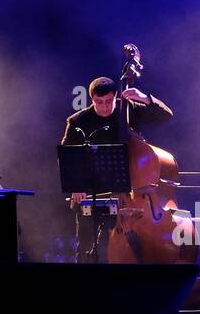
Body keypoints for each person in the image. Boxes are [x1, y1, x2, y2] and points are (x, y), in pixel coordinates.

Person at [60, 76, 173, 262]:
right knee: (86, 249)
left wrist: (144, 98)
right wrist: (76, 185)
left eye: (109, 102)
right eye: (99, 102)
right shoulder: (78, 122)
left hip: (128, 196)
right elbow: (66, 158)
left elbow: (166, 115)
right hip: (89, 194)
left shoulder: (127, 110)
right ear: (92, 99)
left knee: (128, 249)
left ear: (115, 97)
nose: (104, 107)